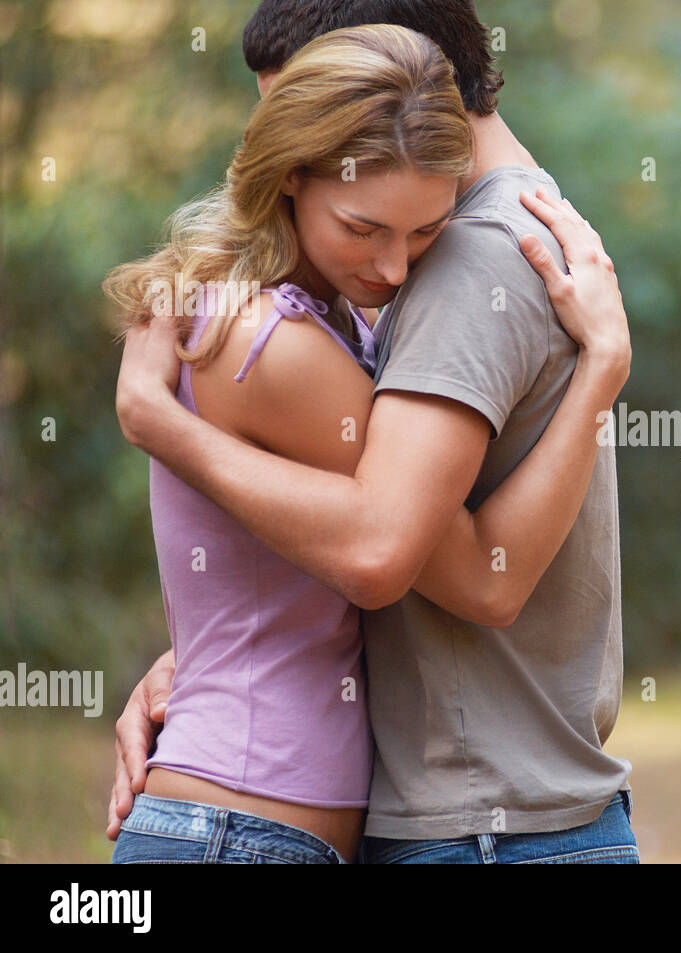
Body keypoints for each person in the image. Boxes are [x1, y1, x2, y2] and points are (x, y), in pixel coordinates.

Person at [112, 0, 639, 864]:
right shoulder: (297, 320)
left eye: (298, 99)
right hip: (357, 820)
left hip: (485, 829)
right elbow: (357, 548)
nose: (270, 133)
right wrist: (201, 661)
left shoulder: (470, 259)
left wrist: (163, 425)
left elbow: (403, 553)